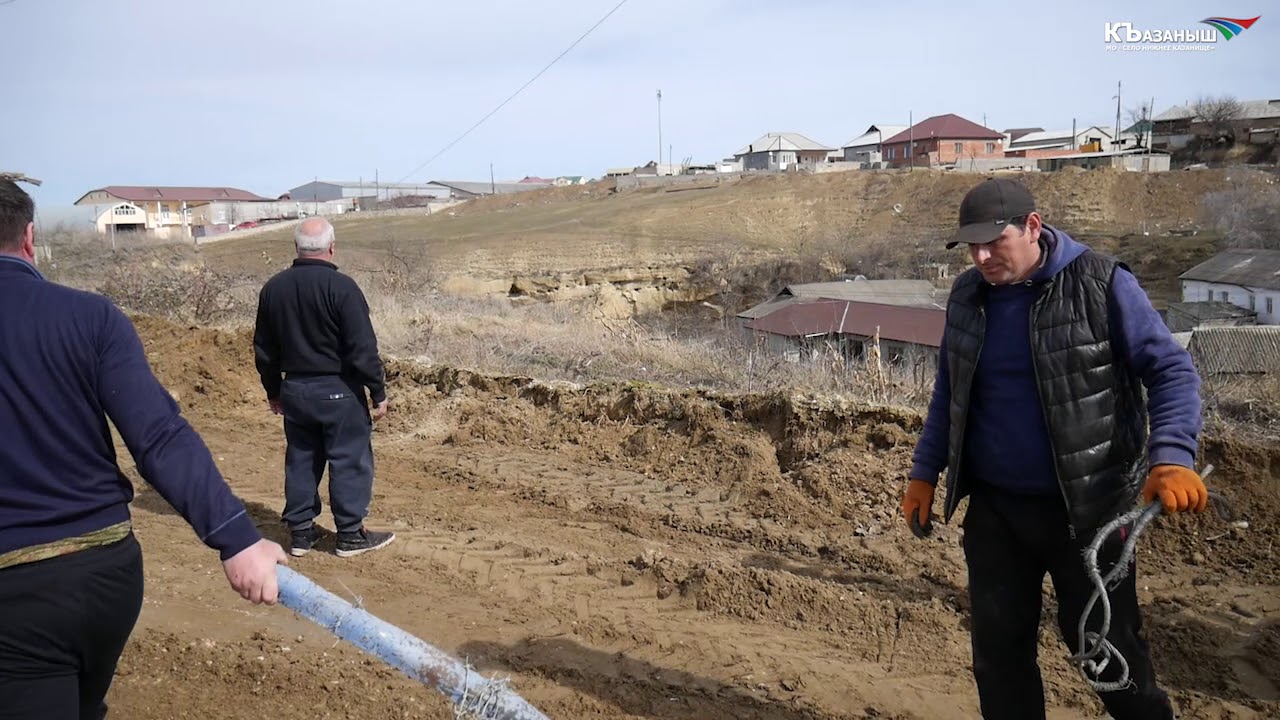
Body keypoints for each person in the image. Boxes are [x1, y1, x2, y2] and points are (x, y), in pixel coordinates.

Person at [901, 178, 1208, 720]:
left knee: (1110, 661)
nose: (981, 256)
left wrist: (1172, 457)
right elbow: (949, 393)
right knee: (998, 661)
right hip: (996, 514)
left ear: (1033, 227)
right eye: (970, 246)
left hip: (1088, 512)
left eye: (994, 242)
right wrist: (925, 472)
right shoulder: (968, 297)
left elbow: (1171, 371)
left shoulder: (1101, 283)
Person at [0, 178, 287, 720]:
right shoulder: (90, 317)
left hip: (13, 593)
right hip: (104, 577)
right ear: (30, 239)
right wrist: (235, 538)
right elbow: (158, 435)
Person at [253, 217, 394, 559]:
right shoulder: (343, 289)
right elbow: (362, 348)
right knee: (349, 459)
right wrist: (378, 391)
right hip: (339, 391)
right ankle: (350, 535)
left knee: (301, 458)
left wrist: (273, 391)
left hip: (296, 390)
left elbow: (264, 350)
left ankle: (301, 534)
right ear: (332, 247)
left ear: (296, 248)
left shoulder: (274, 288)